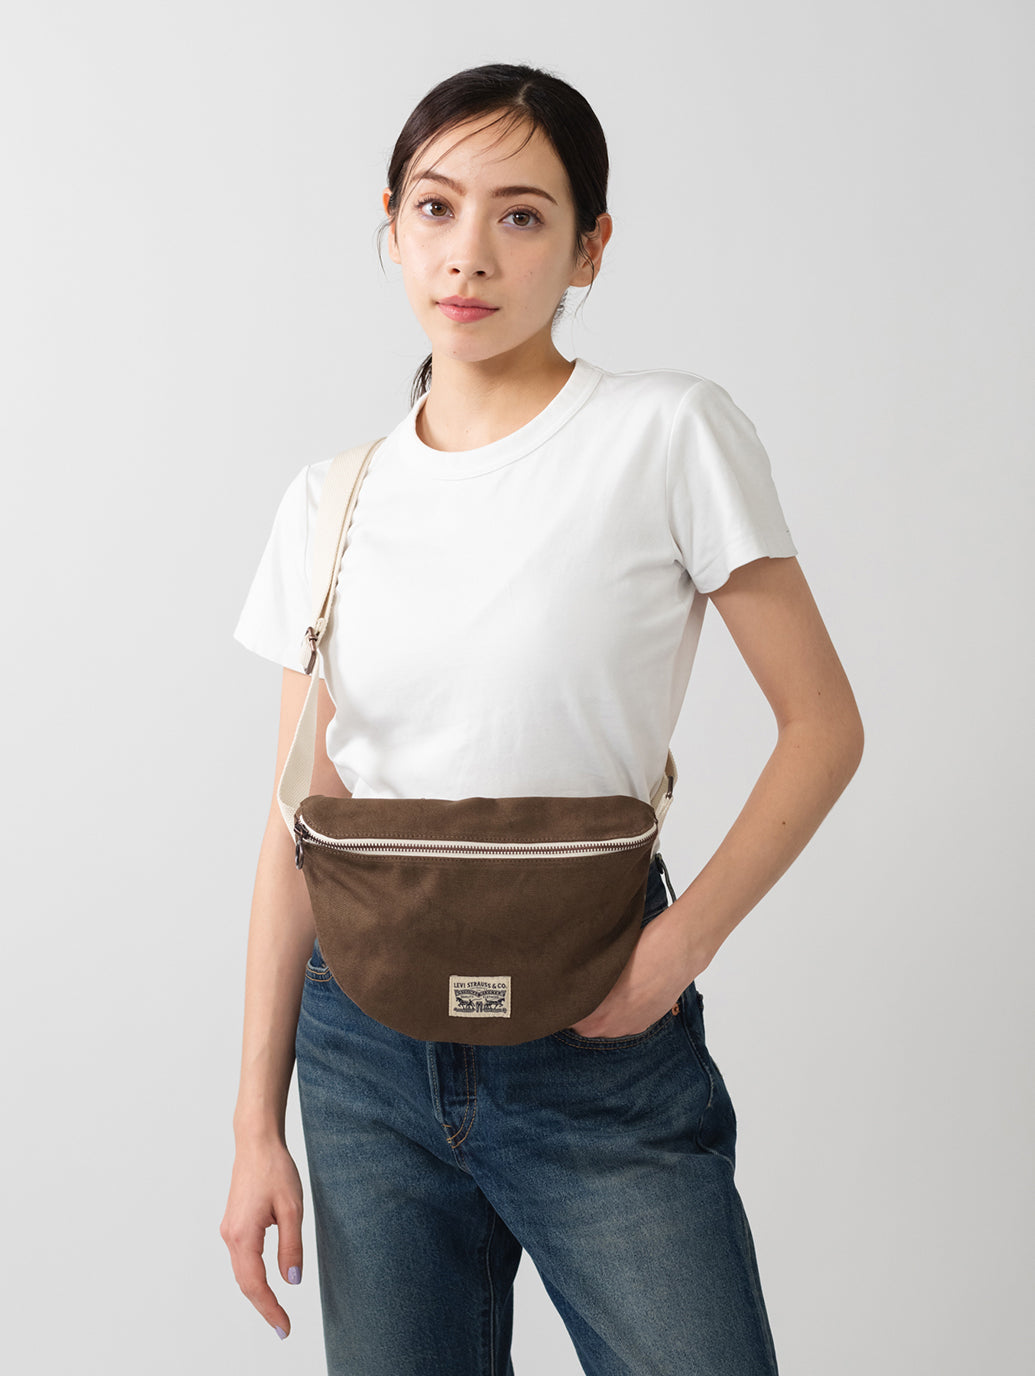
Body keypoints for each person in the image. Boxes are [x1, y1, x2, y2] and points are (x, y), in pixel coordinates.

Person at [219, 62, 864, 1376]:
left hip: (598, 1040)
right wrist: (253, 1127)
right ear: (392, 225)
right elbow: (297, 822)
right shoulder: (330, 500)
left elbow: (823, 726)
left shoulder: (667, 433)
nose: (468, 254)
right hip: (364, 1057)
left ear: (590, 247)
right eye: (435, 207)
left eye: (520, 215)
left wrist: (676, 950)